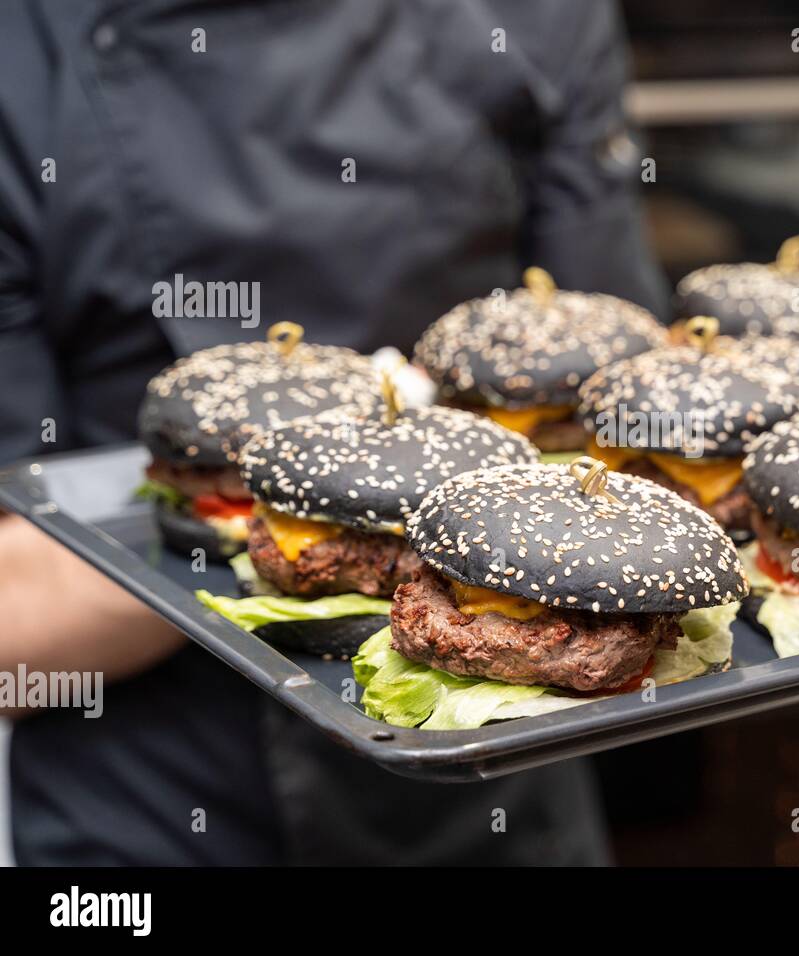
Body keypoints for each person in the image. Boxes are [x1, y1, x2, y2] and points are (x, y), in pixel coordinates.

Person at [0, 0, 666, 865]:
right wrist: (272, 520)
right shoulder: (23, 50)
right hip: (147, 787)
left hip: (490, 750)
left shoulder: (533, 16)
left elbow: (622, 420)